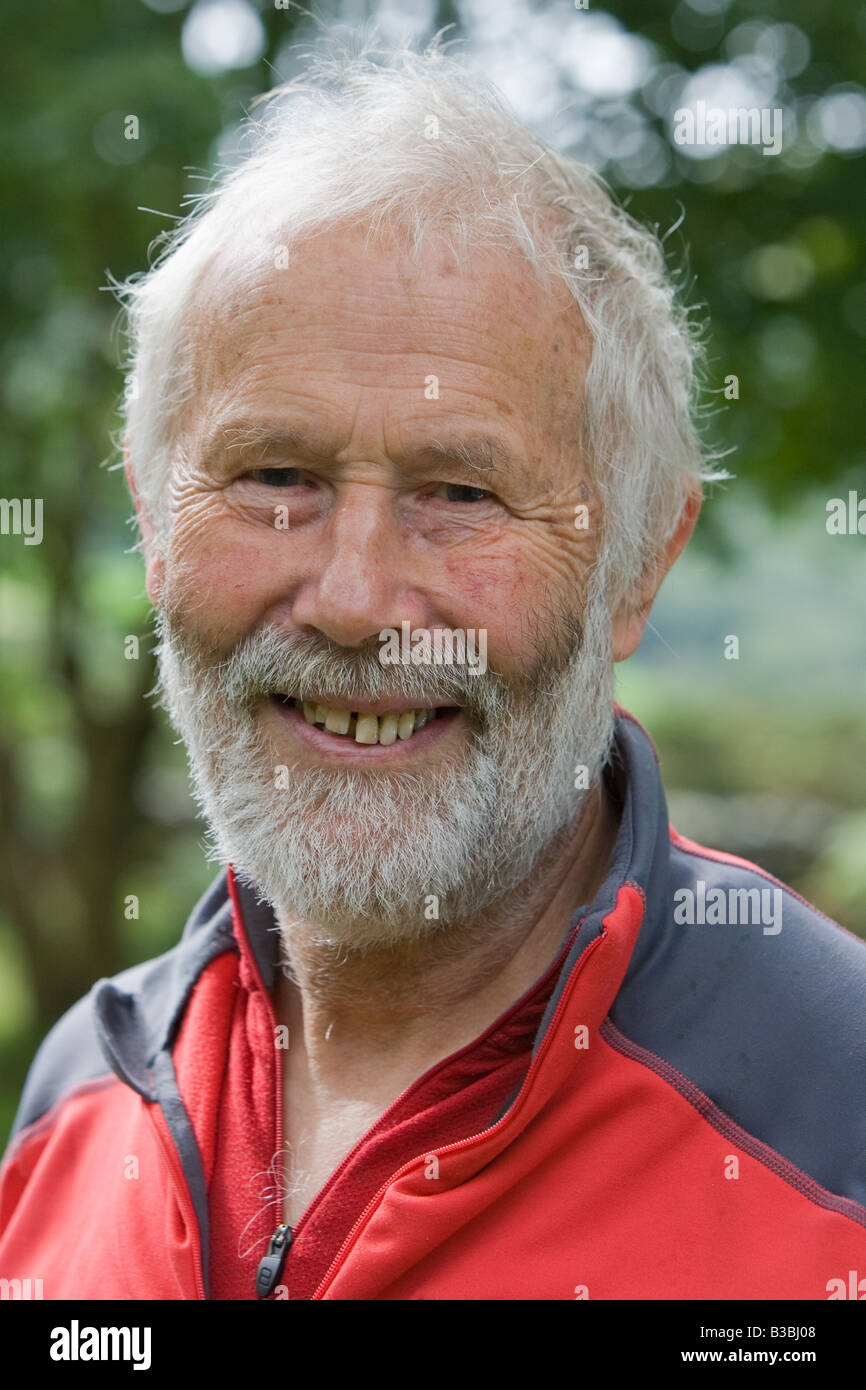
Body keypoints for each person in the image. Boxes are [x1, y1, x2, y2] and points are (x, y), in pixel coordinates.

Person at [1, 36, 864, 1302]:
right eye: (275, 477)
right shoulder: (80, 1092)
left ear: (636, 566)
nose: (352, 602)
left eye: (460, 492)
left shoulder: (834, 1122)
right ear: (149, 514)